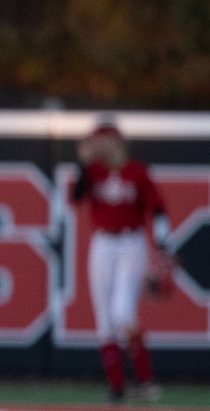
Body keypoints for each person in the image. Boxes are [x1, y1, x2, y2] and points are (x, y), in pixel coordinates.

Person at [72, 118, 170, 403]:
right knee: (104, 319)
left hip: (131, 242)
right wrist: (81, 165)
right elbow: (77, 197)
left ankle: (145, 380)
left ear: (117, 142)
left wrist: (164, 243)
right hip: (103, 242)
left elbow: (158, 208)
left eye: (102, 140)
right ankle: (117, 387)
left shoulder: (136, 171)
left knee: (122, 314)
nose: (97, 146)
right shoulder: (94, 171)